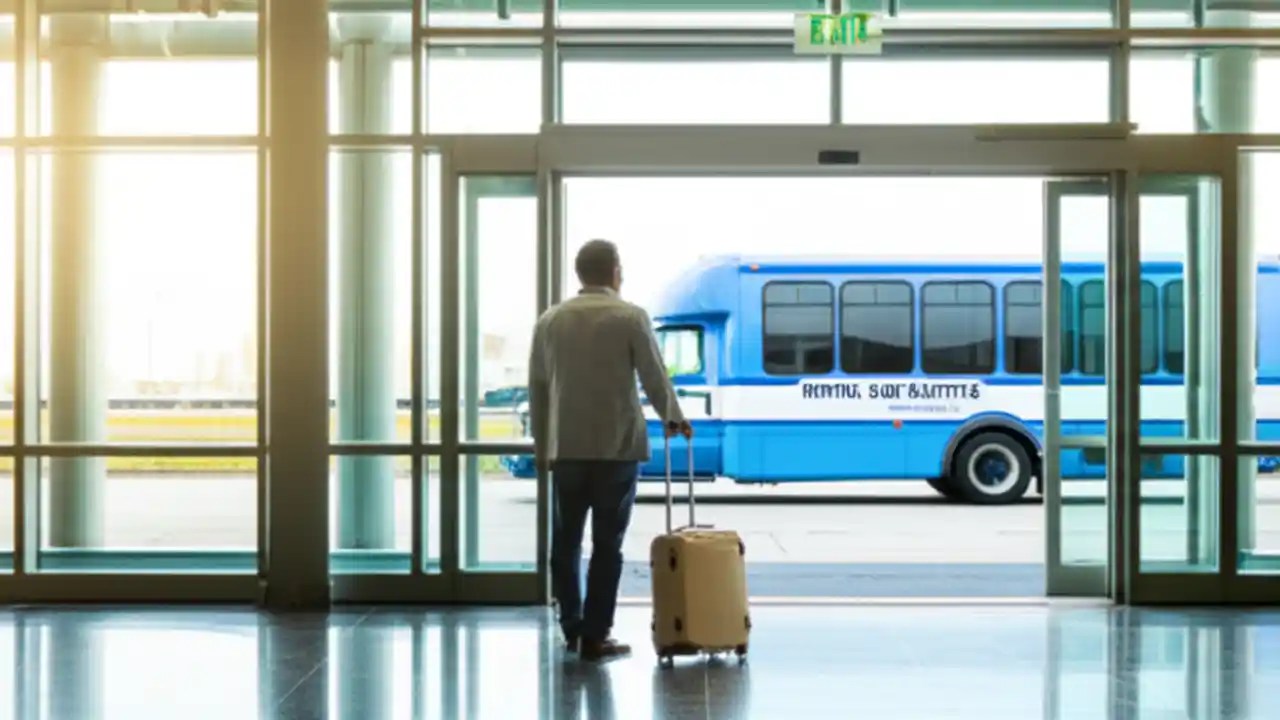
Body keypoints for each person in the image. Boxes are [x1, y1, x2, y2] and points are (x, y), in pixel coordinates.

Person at [528, 238, 692, 662]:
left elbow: (539, 388)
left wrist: (543, 447)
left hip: (567, 450)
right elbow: (654, 377)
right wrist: (674, 418)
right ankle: (596, 636)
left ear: (579, 273)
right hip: (616, 450)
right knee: (606, 546)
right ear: (615, 271)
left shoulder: (550, 320)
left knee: (564, 545)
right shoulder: (630, 316)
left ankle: (572, 628)